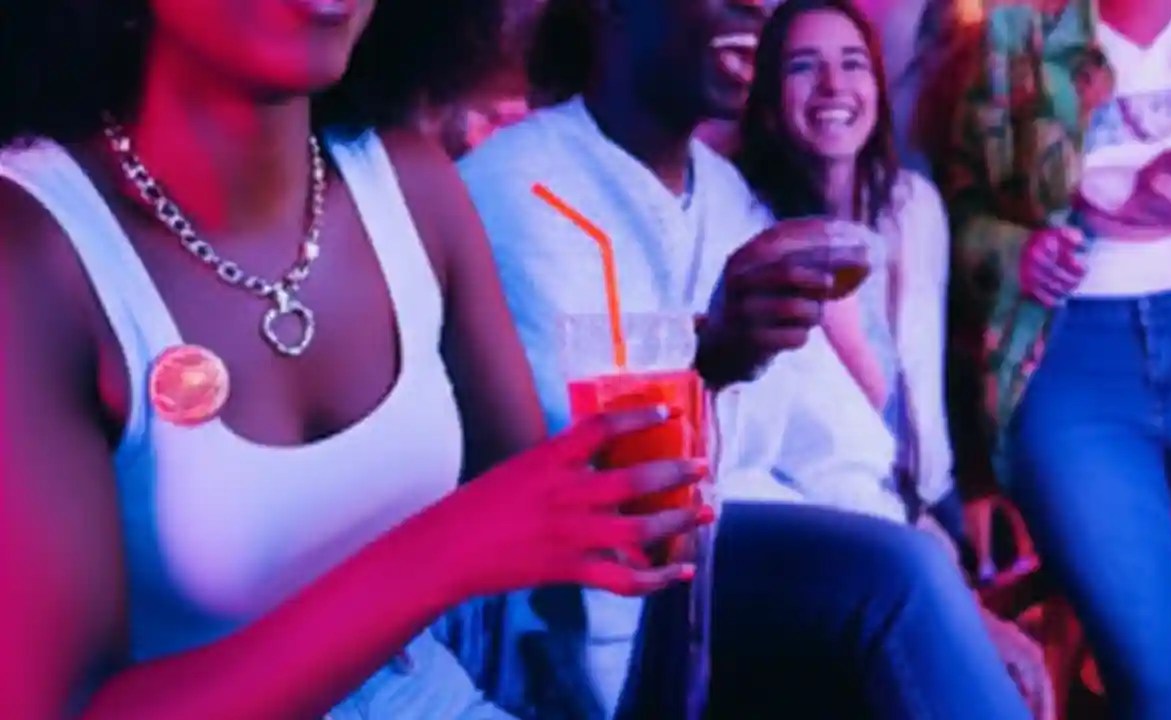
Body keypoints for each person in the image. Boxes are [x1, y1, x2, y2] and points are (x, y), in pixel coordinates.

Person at [0, 1, 711, 717]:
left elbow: (533, 497)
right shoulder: (32, 249)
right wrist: (441, 556)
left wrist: (711, 371)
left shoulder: (409, 187)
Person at [460, 0, 1032, 718]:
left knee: (913, 587)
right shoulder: (516, 187)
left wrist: (961, 615)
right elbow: (594, 496)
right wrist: (711, 359)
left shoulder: (731, 198)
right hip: (585, 631)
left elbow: (835, 444)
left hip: (718, 596)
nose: (758, 4)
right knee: (897, 579)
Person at [936, 0, 1171, 717]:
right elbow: (954, 209)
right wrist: (1015, 253)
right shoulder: (1018, 31)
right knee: (1157, 687)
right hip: (1070, 368)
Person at [733, 1, 1051, 715]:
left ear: (878, 84)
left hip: (924, 506)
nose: (833, 87)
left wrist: (967, 487)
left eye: (852, 64)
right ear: (767, 99)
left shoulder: (915, 209)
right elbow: (814, 463)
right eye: (802, 67)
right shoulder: (748, 233)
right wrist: (964, 604)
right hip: (840, 529)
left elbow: (931, 377)